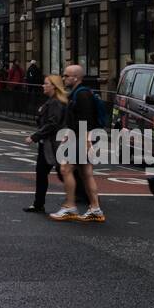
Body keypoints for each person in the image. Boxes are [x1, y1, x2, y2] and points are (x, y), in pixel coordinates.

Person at [50, 63, 105, 223]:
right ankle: (95, 209)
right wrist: (67, 136)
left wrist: (88, 143)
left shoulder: (82, 95)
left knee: (66, 168)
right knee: (86, 174)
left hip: (82, 138)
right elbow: (75, 120)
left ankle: (70, 207)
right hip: (79, 137)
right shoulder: (75, 93)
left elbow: (86, 121)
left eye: (67, 75)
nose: (64, 78)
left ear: (76, 77)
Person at [26, 74, 70, 213]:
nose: (42, 86)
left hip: (53, 144)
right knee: (43, 173)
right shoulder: (52, 101)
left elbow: (52, 123)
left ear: (54, 86)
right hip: (48, 143)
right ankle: (38, 204)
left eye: (46, 83)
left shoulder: (55, 102)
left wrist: (35, 136)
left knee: (62, 173)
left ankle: (85, 197)